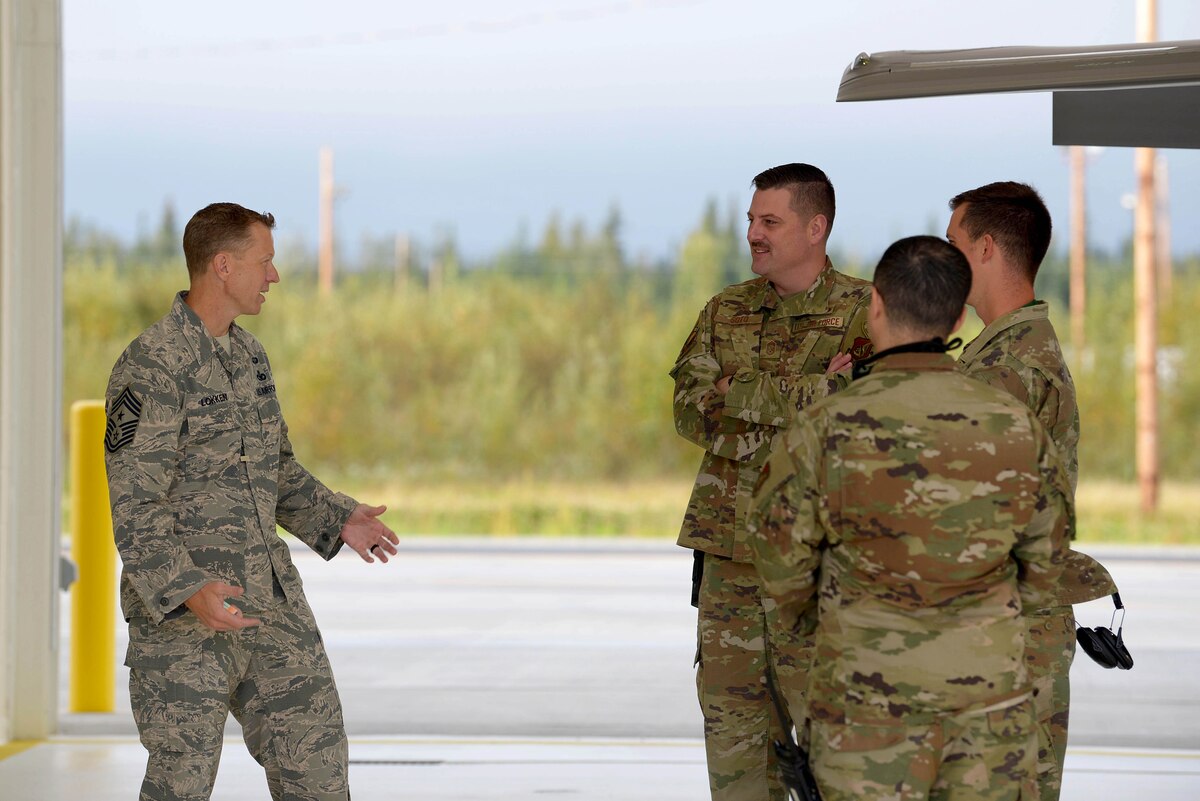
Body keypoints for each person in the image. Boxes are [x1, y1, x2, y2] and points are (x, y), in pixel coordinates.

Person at [748, 235, 1071, 801]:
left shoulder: (824, 428)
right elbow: (1047, 567)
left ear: (876, 305)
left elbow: (779, 564)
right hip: (988, 709)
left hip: (867, 711)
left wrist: (836, 628)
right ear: (954, 311)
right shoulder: (1015, 426)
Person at [104, 202, 399, 801]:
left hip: (268, 602)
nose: (274, 275)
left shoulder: (250, 358)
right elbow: (135, 507)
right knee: (179, 786)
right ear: (222, 266)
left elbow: (276, 470)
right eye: (264, 261)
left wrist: (337, 517)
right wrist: (189, 588)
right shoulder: (152, 366)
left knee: (319, 769)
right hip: (183, 619)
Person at [670, 163, 873, 801]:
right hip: (730, 559)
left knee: (836, 742)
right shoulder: (725, 309)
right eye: (752, 220)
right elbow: (690, 411)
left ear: (816, 227)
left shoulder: (869, 311)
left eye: (769, 221)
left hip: (821, 563)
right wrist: (818, 389)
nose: (752, 233)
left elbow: (860, 422)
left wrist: (742, 394)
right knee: (732, 736)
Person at [947, 181, 1117, 801]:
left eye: (954, 246)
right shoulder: (1004, 353)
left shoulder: (1008, 369)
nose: (945, 264)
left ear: (986, 249)